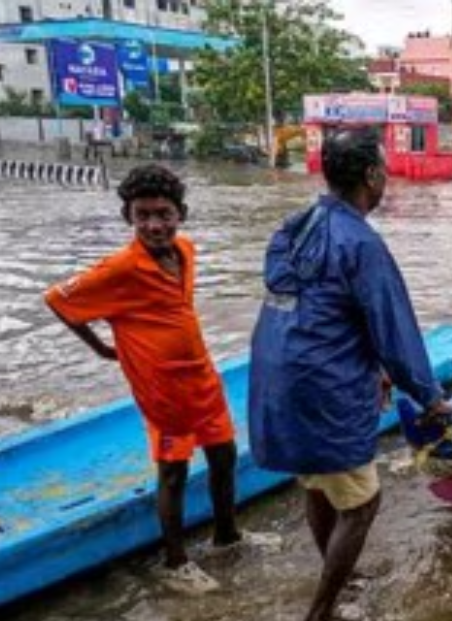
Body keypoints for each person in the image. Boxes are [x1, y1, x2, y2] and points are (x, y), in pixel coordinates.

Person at [248, 130, 452, 621]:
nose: (387, 178)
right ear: (370, 176)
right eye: (384, 169)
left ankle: (337, 574)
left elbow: (313, 306)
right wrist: (431, 399)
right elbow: (395, 330)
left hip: (276, 376)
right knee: (363, 504)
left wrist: (376, 369)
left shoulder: (296, 226)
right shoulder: (362, 243)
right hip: (325, 387)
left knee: (320, 484)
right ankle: (319, 619)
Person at [44, 165, 279, 595]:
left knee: (224, 454)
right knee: (173, 471)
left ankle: (227, 537)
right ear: (129, 218)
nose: (154, 224)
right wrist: (100, 348)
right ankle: (176, 563)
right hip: (162, 388)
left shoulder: (185, 251)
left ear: (181, 214)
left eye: (163, 214)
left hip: (201, 376)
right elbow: (58, 299)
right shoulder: (120, 267)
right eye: (143, 215)